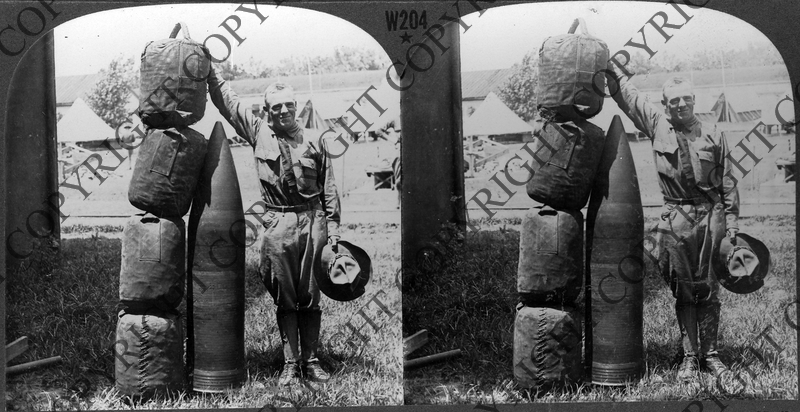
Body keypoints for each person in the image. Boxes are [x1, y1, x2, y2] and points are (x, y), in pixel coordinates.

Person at [206, 66, 340, 386]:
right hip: (277, 224)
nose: (283, 111)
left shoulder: (315, 140)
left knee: (310, 295)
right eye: (276, 106)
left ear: (297, 106)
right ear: (267, 111)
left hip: (312, 222)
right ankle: (290, 364)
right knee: (285, 296)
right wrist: (209, 69)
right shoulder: (257, 131)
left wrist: (333, 233)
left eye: (288, 105)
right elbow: (227, 100)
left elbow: (330, 190)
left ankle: (311, 360)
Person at [605, 62, 740, 381]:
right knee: (684, 291)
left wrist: (731, 227)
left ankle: (711, 354)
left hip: (711, 217)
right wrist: (612, 72)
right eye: (673, 101)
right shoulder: (657, 123)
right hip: (676, 217)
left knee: (707, 289)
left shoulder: (713, 132)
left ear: (694, 100)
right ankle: (690, 356)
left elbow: (728, 181)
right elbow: (629, 97)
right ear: (665, 105)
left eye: (685, 99)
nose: (680, 104)